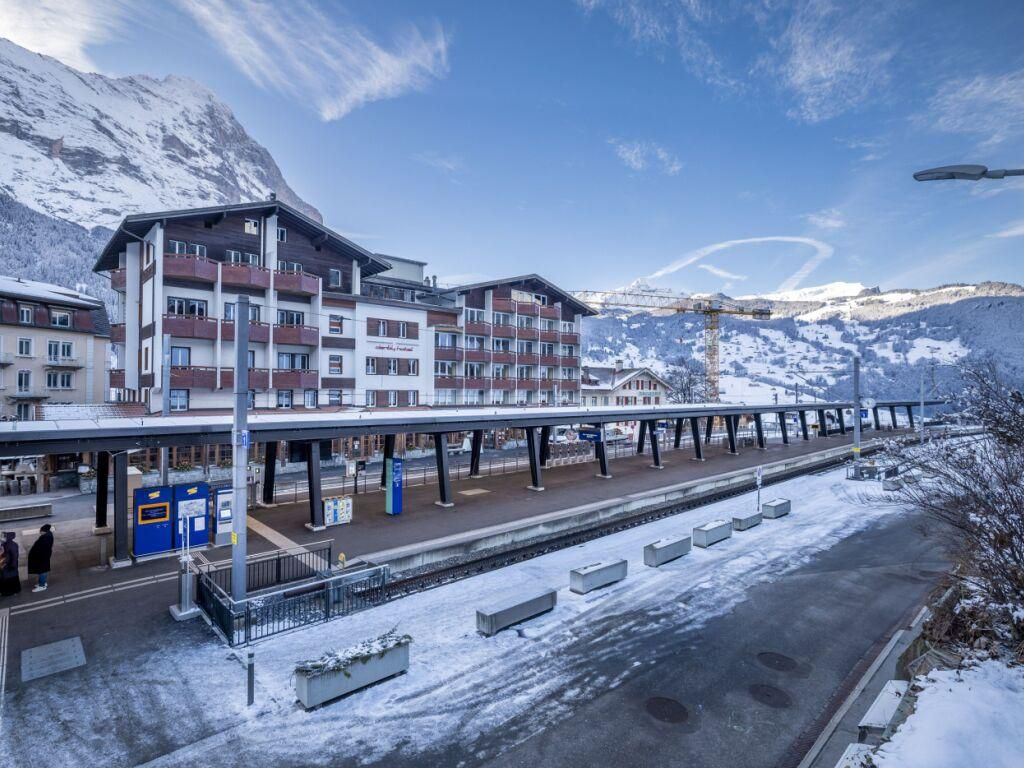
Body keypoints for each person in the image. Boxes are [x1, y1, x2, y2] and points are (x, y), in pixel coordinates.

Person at [28, 524, 54, 593]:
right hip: (44, 557)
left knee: (42, 571)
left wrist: (35, 555)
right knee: (43, 570)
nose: (39, 532)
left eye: (41, 530)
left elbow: (41, 549)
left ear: (44, 531)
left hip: (42, 557)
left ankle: (42, 586)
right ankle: (42, 583)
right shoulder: (47, 535)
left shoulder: (45, 538)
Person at [0, 532, 21, 597]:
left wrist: (13, 565)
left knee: (10, 578)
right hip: (6, 565)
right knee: (7, 578)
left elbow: (15, 556)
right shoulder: (5, 544)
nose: (2, 537)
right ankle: (10, 591)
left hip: (10, 565)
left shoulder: (12, 545)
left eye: (4, 536)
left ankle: (10, 592)